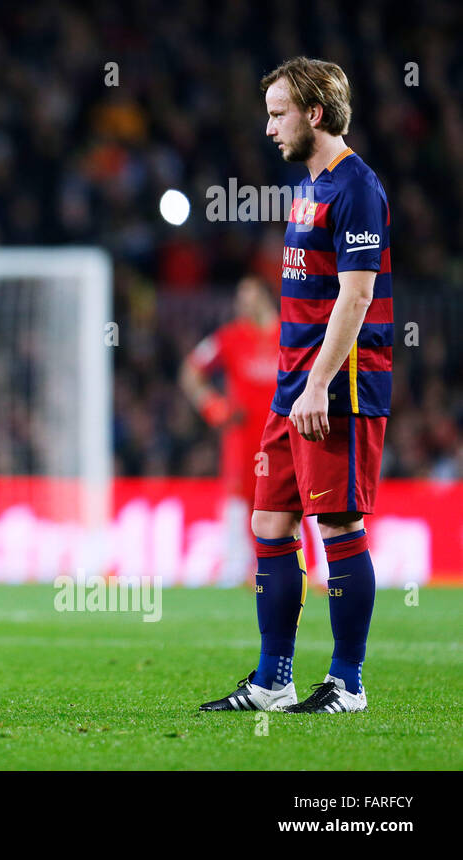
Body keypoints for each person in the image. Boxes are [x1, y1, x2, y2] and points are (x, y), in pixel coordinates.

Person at [201, 58, 390, 714]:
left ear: (315, 113)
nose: (269, 126)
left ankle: (347, 683)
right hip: (293, 389)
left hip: (335, 389)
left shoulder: (356, 189)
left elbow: (358, 294)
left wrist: (317, 385)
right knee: (268, 522)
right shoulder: (309, 188)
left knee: (336, 523)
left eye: (279, 112)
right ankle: (272, 679)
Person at [180, 275, 281, 586]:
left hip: (286, 436)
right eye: (240, 296)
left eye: (248, 294)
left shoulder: (292, 335)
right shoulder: (229, 337)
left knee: (294, 501)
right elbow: (191, 369)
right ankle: (237, 570)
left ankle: (303, 568)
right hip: (243, 438)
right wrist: (212, 405)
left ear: (265, 296)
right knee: (239, 501)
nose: (243, 302)